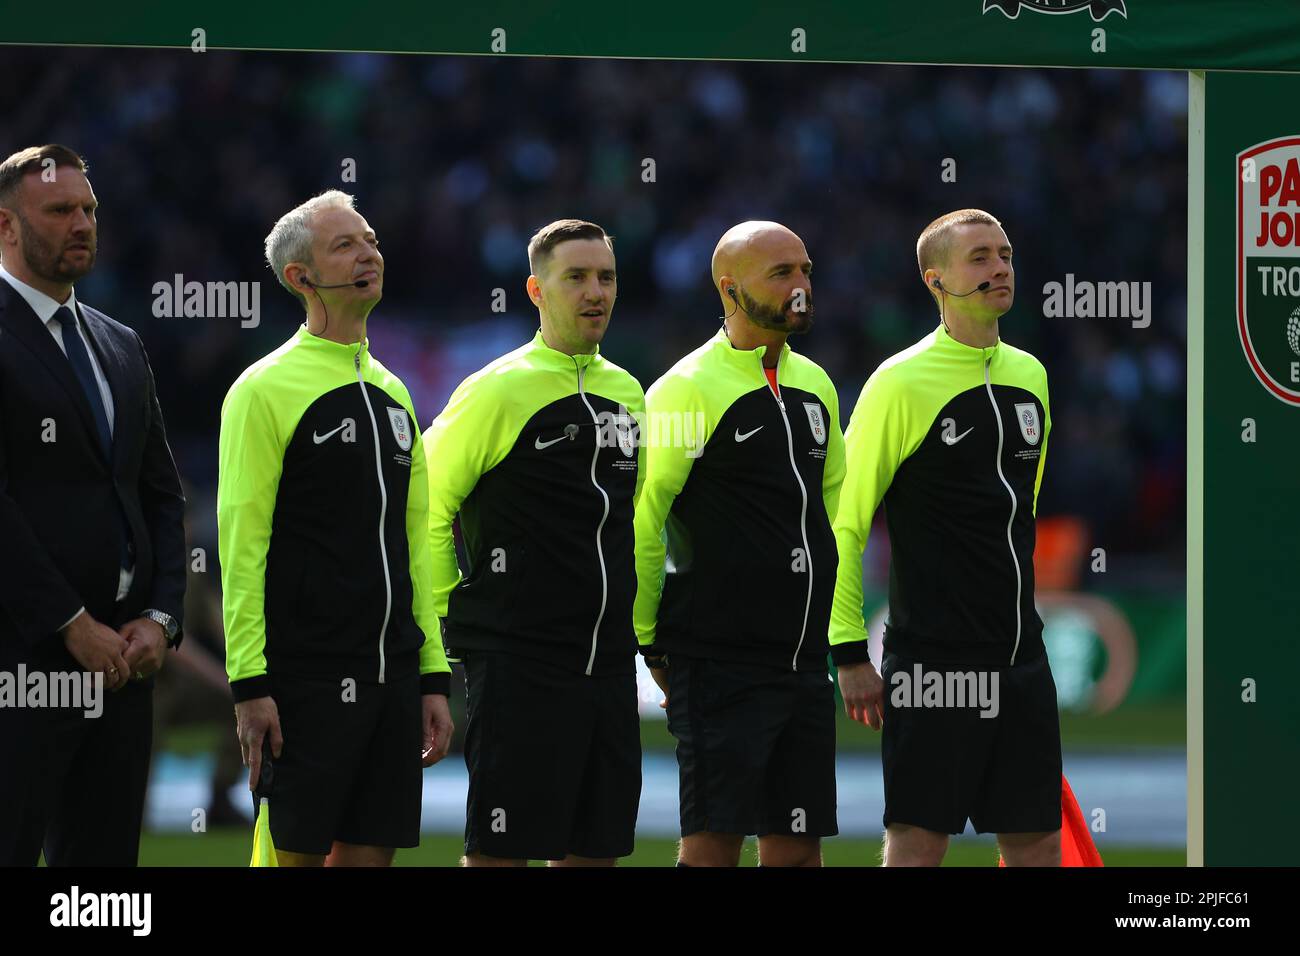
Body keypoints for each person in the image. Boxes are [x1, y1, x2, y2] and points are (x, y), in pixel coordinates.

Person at [218, 189, 453, 867]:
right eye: (344, 244)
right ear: (300, 277)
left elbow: (414, 548)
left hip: (392, 679)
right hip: (302, 680)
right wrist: (249, 685)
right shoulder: (261, 389)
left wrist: (431, 675)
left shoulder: (397, 392)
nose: (369, 253)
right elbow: (242, 545)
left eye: (371, 239)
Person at [830, 208, 1061, 866]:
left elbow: (1026, 512)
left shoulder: (1031, 375)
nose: (1000, 268)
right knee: (917, 840)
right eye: (981, 257)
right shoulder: (898, 382)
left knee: (1038, 842)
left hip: (1022, 657)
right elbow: (846, 521)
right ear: (936, 280)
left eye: (1007, 254)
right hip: (933, 665)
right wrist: (848, 654)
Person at [422, 219, 644, 867]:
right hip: (520, 662)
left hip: (607, 666)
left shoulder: (628, 393)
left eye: (605, 277)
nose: (594, 291)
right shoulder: (497, 388)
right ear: (535, 290)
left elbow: (632, 523)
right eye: (575, 277)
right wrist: (448, 612)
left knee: (594, 853)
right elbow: (428, 506)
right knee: (501, 851)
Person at [633, 221, 845, 867]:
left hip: (803, 660)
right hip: (718, 656)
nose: (802, 287)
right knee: (712, 845)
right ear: (730, 289)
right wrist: (648, 640)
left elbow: (836, 515)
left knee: (798, 850)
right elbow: (644, 523)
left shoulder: (818, 386)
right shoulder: (686, 388)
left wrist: (840, 635)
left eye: (806, 270)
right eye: (781, 274)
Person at [0, 144, 187, 866]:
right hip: (21, 662)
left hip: (123, 666)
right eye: (59, 210)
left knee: (104, 875)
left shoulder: (120, 342)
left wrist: (162, 619)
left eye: (89, 210)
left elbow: (161, 493)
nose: (82, 224)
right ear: (7, 227)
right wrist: (69, 624)